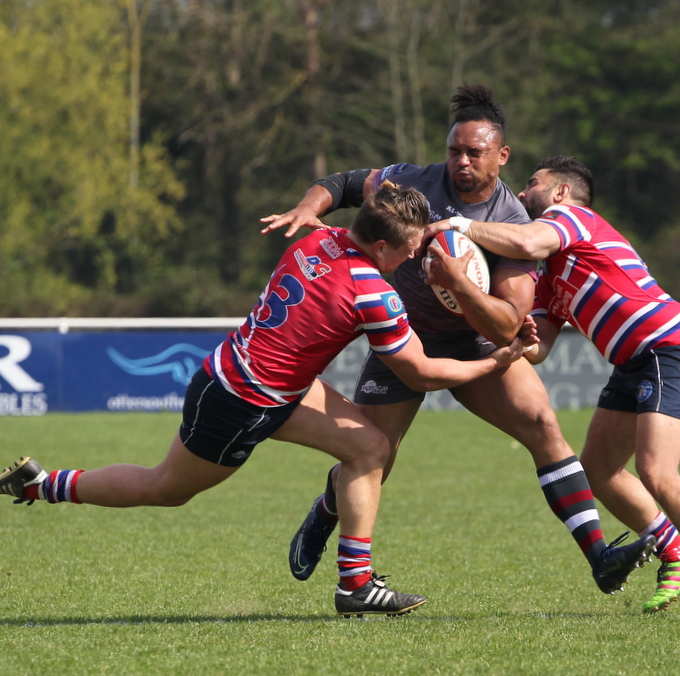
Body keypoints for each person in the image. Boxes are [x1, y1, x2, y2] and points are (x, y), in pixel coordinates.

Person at [0, 181, 525, 619]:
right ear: (380, 247)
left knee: (370, 449)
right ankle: (45, 485)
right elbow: (424, 372)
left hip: (273, 384)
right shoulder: (373, 293)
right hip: (240, 400)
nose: (414, 256)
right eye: (408, 248)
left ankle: (355, 584)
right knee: (166, 488)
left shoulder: (320, 239)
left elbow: (344, 212)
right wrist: (496, 360)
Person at [261, 84, 656, 597]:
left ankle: (600, 555)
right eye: (454, 151)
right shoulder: (413, 182)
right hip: (402, 341)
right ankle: (326, 510)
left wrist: (459, 284)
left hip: (476, 341)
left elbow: (508, 325)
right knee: (375, 455)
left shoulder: (513, 221)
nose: (462, 161)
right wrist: (306, 207)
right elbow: (343, 183)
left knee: (542, 423)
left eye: (475, 152)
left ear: (501, 155)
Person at [428, 155, 680, 618]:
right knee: (599, 470)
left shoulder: (572, 218)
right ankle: (674, 553)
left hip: (674, 347)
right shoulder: (549, 274)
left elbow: (527, 240)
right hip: (632, 362)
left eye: (532, 184)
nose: (520, 194)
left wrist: (458, 225)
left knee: (657, 471)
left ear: (560, 192)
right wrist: (517, 338)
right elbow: (540, 349)